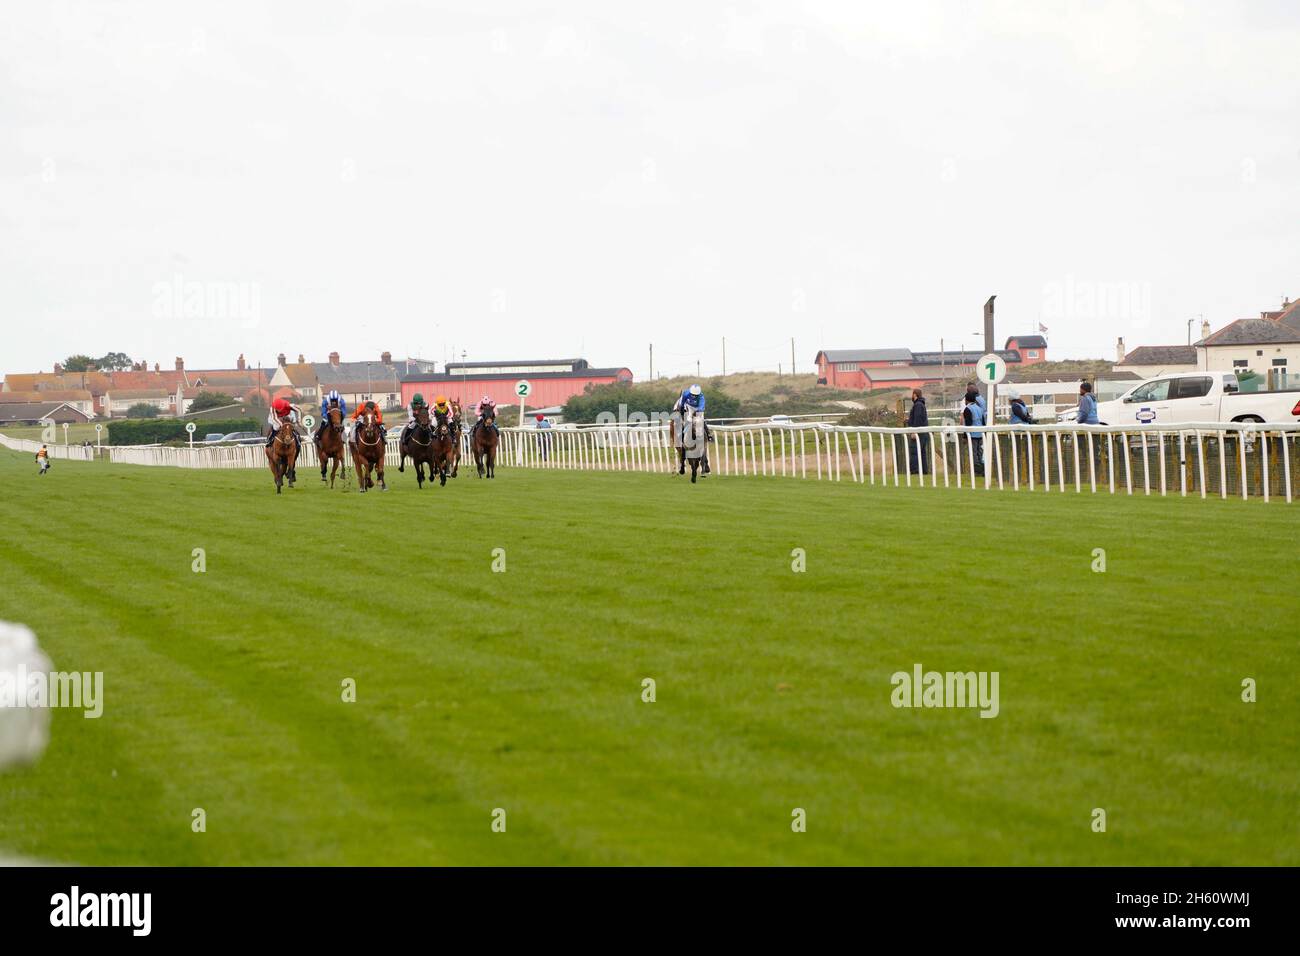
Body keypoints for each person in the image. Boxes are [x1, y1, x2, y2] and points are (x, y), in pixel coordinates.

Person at [672, 384, 710, 475]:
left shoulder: (701, 397)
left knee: (700, 421)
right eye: (692, 394)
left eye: (695, 395)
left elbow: (701, 406)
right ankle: (682, 436)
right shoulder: (686, 393)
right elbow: (682, 402)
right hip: (688, 408)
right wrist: (681, 410)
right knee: (688, 421)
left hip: (698, 410)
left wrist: (698, 412)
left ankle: (708, 434)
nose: (694, 396)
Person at [906, 388, 930, 475]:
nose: (911, 396)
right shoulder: (920, 404)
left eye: (912, 394)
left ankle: (915, 471)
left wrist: (914, 431)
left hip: (918, 433)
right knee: (922, 452)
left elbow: (918, 419)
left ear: (915, 394)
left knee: (914, 451)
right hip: (923, 433)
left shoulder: (918, 405)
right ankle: (924, 471)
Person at [962, 392, 985, 477]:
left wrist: (965, 436)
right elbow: (983, 422)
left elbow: (968, 423)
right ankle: (982, 470)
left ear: (967, 400)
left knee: (973, 453)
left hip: (972, 435)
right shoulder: (980, 408)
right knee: (980, 453)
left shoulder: (967, 409)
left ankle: (977, 471)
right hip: (980, 434)